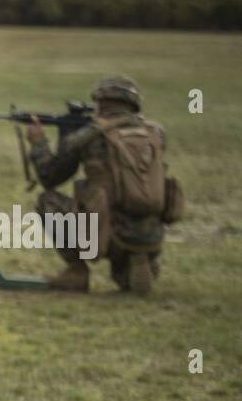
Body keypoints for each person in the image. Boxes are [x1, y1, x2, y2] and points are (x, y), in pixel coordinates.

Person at [28, 75, 173, 295]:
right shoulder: (156, 134)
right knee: (123, 278)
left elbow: (50, 177)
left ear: (101, 103)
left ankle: (77, 271)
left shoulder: (90, 135)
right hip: (151, 234)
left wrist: (39, 142)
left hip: (106, 233)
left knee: (48, 201)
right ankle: (139, 259)